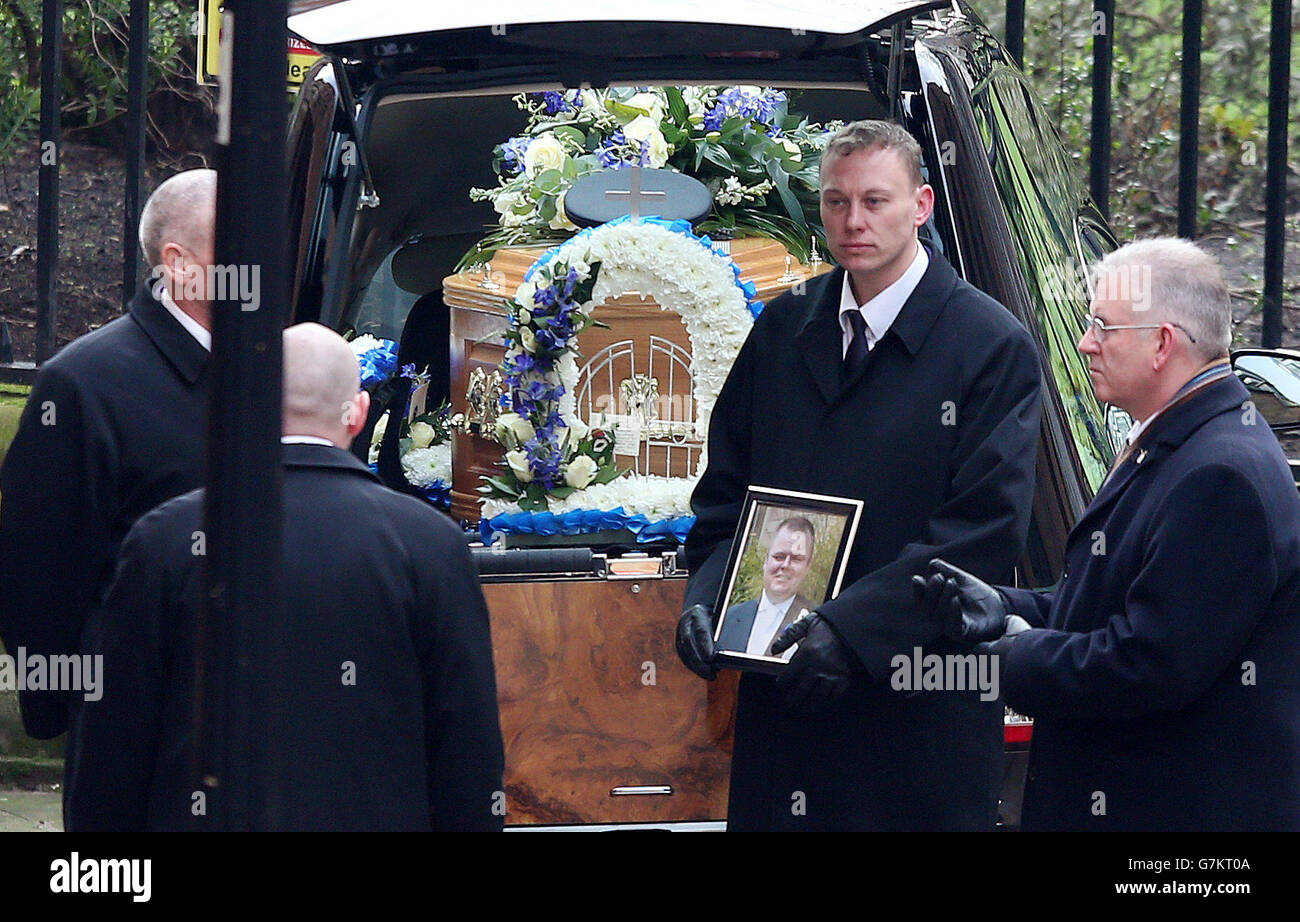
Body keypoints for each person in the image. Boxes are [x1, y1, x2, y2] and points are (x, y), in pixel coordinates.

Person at [675, 120, 1043, 830]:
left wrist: (850, 632)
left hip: (913, 713)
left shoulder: (990, 345)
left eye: (876, 201)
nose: (853, 221)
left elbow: (982, 533)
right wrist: (711, 597)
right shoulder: (784, 327)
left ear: (922, 205)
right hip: (785, 716)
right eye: (837, 202)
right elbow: (727, 496)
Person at [918, 238, 1300, 831]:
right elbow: (1115, 601)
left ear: (1162, 343)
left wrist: (1013, 655)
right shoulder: (1187, 440)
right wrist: (1005, 606)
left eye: (1103, 327)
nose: (1085, 342)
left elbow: (1149, 664)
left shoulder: (1219, 473)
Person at [65, 323, 505, 831]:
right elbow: (466, 746)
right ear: (359, 413)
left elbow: (115, 739)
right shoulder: (431, 546)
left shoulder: (166, 539)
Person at [0, 169, 217, 740]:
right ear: (180, 263)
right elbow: (42, 563)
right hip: (133, 718)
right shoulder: (83, 383)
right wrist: (58, 708)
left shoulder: (277, 365)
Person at [717, 517, 818, 659]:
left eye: (796, 559)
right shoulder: (729, 618)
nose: (785, 565)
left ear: (808, 565)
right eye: (779, 557)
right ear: (766, 560)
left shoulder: (818, 626)